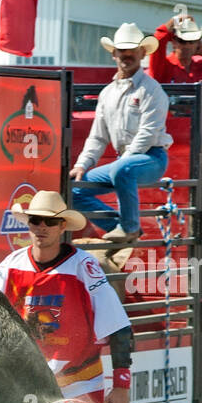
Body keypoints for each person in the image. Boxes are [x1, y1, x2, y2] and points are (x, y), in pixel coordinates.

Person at [0, 190, 133, 403]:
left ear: (62, 226)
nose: (42, 227)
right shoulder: (10, 267)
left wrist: (121, 387)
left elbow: (119, 328)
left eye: (51, 221)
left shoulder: (84, 267)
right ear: (29, 224)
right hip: (23, 384)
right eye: (36, 220)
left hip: (78, 385)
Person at [69, 22, 172, 245]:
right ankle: (121, 228)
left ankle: (129, 228)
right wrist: (82, 165)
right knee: (74, 191)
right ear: (114, 54)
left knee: (121, 169)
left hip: (151, 158)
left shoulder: (152, 89)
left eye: (132, 50)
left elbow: (148, 132)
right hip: (126, 163)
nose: (127, 55)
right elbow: (97, 136)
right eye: (122, 50)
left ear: (142, 53)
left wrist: (124, 161)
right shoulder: (107, 93)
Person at [148, 8, 202, 86]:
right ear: (174, 42)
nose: (187, 45)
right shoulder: (162, 67)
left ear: (198, 43)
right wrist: (174, 21)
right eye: (182, 41)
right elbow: (157, 42)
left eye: (192, 40)